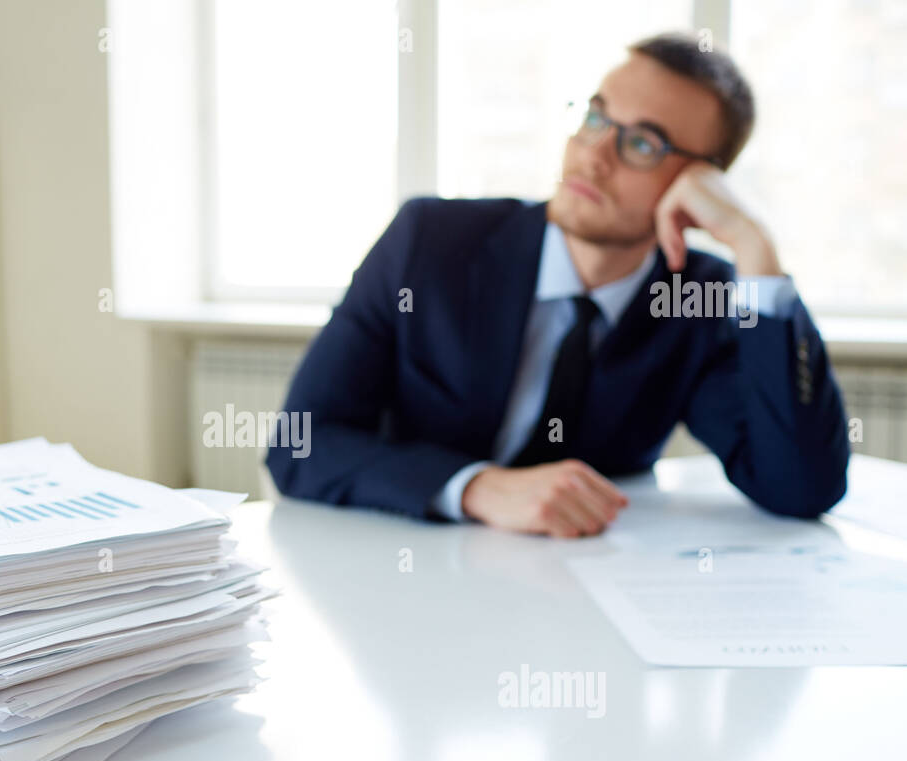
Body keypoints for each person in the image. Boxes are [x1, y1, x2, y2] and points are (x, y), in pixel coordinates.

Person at [265, 32, 850, 538]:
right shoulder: (430, 242)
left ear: (703, 182)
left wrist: (753, 245)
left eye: (642, 144)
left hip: (582, 600)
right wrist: (477, 489)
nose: (593, 154)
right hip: (401, 570)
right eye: (596, 117)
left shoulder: (696, 298)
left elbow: (800, 488)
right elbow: (300, 443)